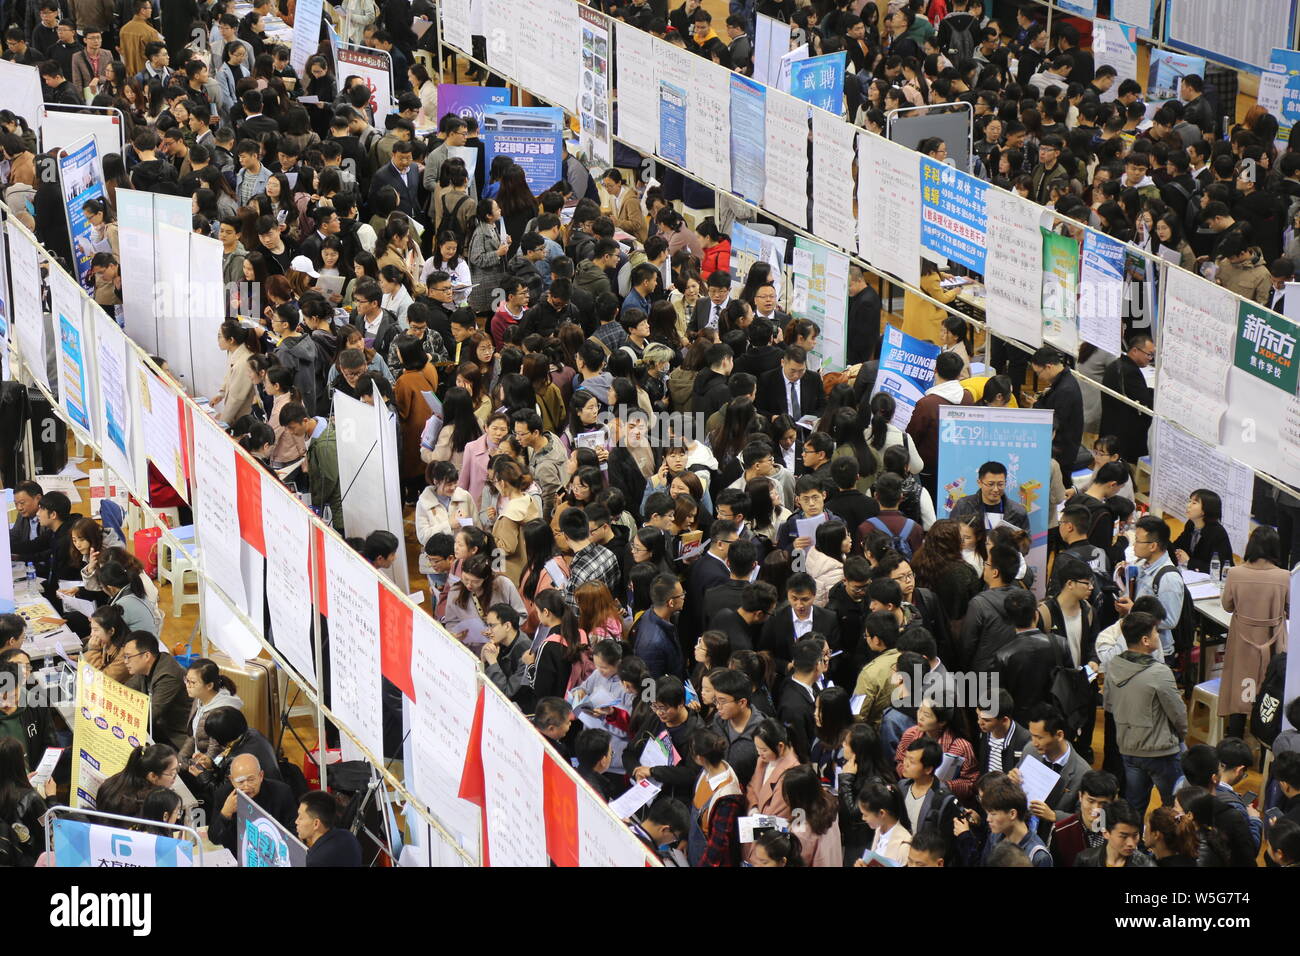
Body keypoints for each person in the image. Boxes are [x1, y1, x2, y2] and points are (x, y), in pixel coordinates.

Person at [1104, 612, 1188, 821]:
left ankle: (1135, 847)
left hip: (1128, 747)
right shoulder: (1159, 672)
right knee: (1175, 807)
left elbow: (1109, 704)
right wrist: (1181, 736)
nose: (1158, 636)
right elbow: (1178, 713)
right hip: (1161, 751)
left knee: (1134, 806)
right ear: (1145, 640)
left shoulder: (1113, 665)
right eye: (1156, 632)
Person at [1219, 526, 1289, 740]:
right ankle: (1266, 737)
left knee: (1240, 685)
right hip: (1273, 639)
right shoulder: (1285, 577)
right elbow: (1291, 609)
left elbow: (1227, 606)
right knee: (1270, 686)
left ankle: (1235, 737)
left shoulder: (1235, 573)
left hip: (1242, 641)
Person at [207, 752, 298, 854]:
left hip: (272, 854)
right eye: (240, 782)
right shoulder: (223, 794)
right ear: (232, 780)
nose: (246, 786)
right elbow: (214, 839)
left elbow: (294, 833)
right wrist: (225, 813)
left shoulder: (281, 792)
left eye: (251, 780)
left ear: (261, 776)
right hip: (238, 854)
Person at [122, 631, 191, 751]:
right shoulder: (146, 667)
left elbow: (151, 714)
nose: (125, 661)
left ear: (146, 656)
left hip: (174, 739)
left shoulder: (168, 675)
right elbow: (124, 692)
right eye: (124, 657)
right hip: (157, 730)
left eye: (128, 657)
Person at [687, 726, 745, 867]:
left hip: (708, 859)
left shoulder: (727, 796)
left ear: (700, 758)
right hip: (693, 848)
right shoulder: (705, 772)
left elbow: (718, 844)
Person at [177, 658, 243, 772]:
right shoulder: (199, 698)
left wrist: (184, 766)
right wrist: (180, 759)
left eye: (192, 682)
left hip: (210, 768)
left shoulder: (221, 714)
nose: (188, 685)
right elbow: (193, 736)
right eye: (186, 680)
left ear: (209, 685)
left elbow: (213, 754)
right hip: (195, 760)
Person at [1099, 334, 1155, 463]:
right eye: (1149, 354)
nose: (1150, 359)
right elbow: (1145, 401)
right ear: (1135, 350)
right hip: (1125, 437)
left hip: (1111, 427)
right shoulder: (1130, 372)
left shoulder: (1116, 364)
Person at [95, 743, 178, 819]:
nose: (174, 778)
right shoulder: (147, 804)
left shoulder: (117, 779)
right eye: (172, 773)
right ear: (152, 776)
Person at [947, 460, 1030, 532]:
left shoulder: (1018, 511)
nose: (996, 489)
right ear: (979, 483)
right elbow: (951, 536)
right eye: (991, 484)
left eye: (1000, 484)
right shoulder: (963, 506)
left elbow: (1024, 544)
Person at [1074, 800, 1155, 867]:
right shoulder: (1085, 860)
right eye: (1123, 836)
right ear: (1105, 833)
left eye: (1135, 835)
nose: (1131, 844)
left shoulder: (1146, 864)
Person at [297, 790, 363, 866]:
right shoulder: (349, 837)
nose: (296, 821)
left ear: (316, 824)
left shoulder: (316, 860)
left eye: (301, 817)